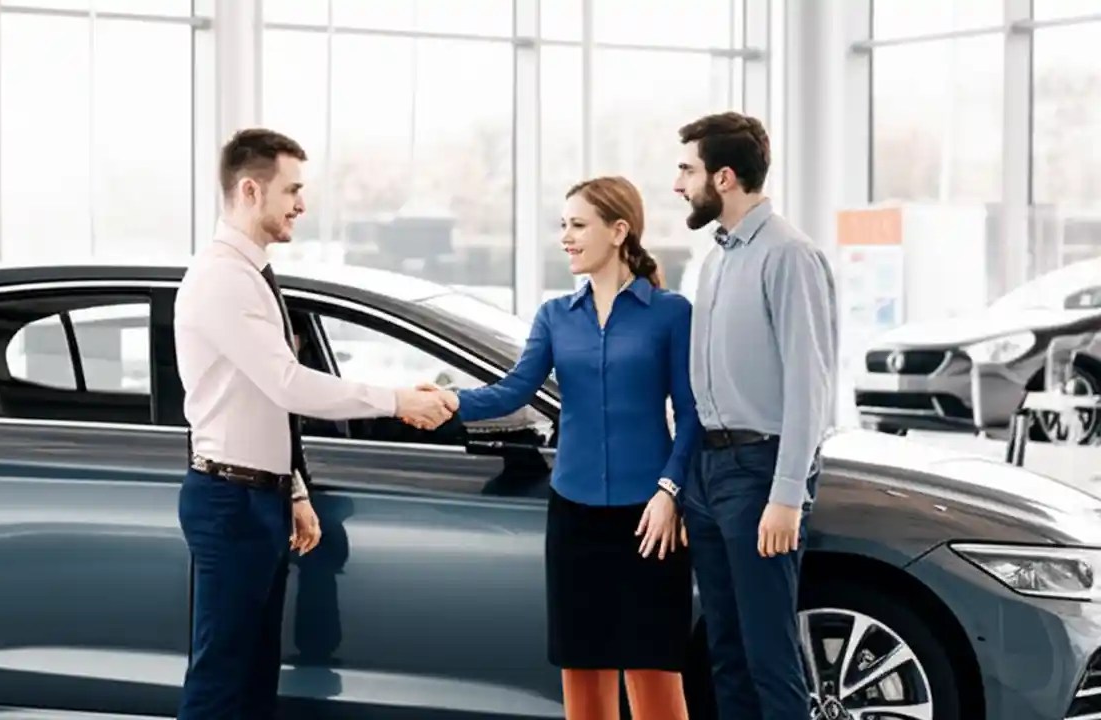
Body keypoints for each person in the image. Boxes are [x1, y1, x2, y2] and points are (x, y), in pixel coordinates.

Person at [172, 127, 455, 718]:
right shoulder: (223, 277)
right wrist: (397, 400)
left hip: (257, 496)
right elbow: (288, 383)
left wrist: (292, 487)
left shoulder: (250, 273)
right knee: (222, 678)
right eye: (292, 190)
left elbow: (263, 399)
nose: (302, 204)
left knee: (251, 678)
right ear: (251, 190)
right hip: (230, 499)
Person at [425, 176, 703, 720]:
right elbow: (514, 390)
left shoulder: (671, 314)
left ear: (619, 231)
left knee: (654, 674)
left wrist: (671, 491)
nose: (566, 238)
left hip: (651, 518)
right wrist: (447, 402)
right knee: (583, 672)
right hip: (574, 516)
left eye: (578, 225)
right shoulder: (555, 316)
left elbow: (693, 413)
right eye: (563, 226)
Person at [672, 111, 838, 719]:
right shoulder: (714, 259)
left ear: (723, 176)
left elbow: (810, 383)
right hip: (710, 473)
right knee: (726, 652)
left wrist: (788, 493)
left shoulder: (789, 255)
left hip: (761, 470)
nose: (677, 184)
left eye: (686, 169)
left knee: (769, 653)